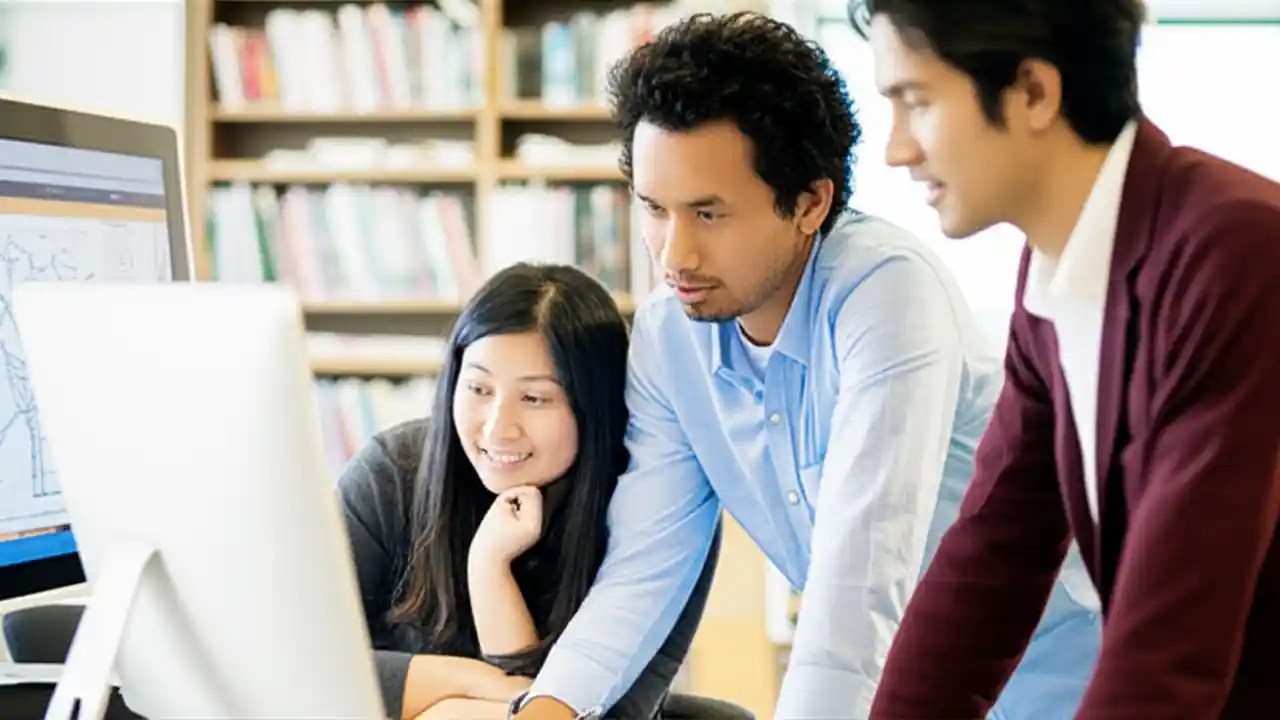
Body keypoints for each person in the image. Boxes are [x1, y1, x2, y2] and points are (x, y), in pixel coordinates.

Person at [513, 13, 1099, 720]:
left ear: (810, 203)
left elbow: (860, 578)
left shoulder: (886, 292)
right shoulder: (670, 339)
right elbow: (643, 565)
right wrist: (545, 708)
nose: (673, 257)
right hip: (916, 689)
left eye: (708, 213)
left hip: (1069, 689)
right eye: (654, 210)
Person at [852, 1, 1280, 718]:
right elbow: (991, 559)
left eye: (916, 102)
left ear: (1032, 93)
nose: (897, 149)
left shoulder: (1235, 253)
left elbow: (1170, 646)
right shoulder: (1054, 273)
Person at [336, 263, 719, 720]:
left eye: (535, 398)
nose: (498, 429)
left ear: (594, 405)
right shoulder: (393, 473)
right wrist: (476, 684)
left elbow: (597, 711)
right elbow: (299, 664)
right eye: (478, 387)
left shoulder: (660, 507)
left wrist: (489, 568)